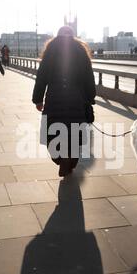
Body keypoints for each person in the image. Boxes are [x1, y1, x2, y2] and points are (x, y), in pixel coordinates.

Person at [32, 26, 96, 177]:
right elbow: (89, 77)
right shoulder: (81, 51)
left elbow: (41, 77)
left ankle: (60, 158)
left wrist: (38, 99)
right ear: (73, 36)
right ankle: (70, 160)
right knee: (75, 132)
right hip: (77, 98)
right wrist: (90, 97)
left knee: (52, 132)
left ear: (57, 35)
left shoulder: (50, 51)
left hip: (55, 97)